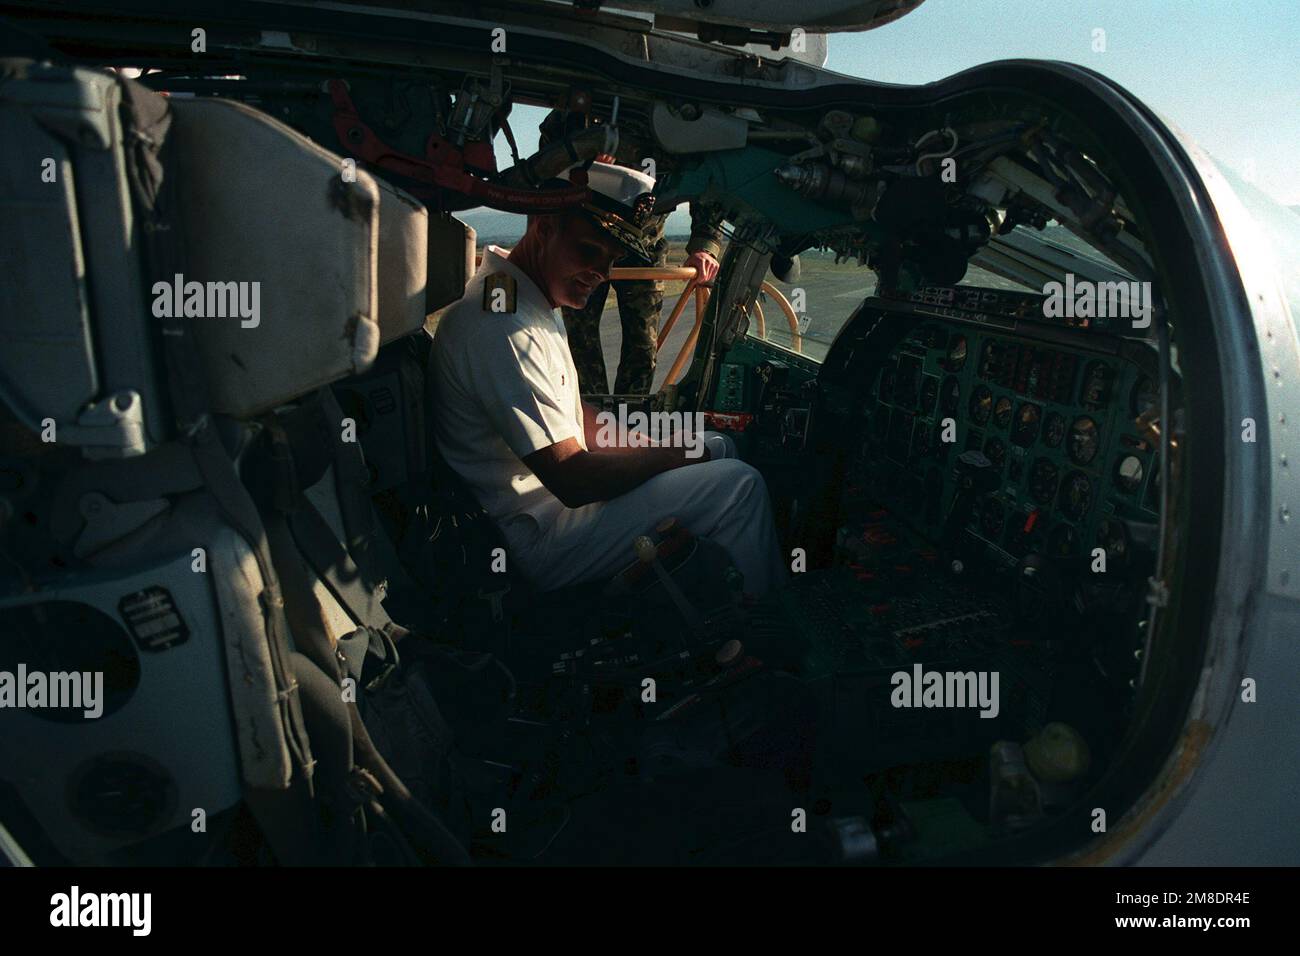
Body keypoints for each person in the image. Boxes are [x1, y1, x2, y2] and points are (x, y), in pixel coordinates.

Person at [428, 162, 784, 599]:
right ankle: (760, 630)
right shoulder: (502, 324)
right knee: (739, 485)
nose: (602, 272)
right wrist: (674, 458)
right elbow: (574, 480)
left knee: (717, 445)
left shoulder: (528, 297)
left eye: (612, 259)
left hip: (555, 506)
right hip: (540, 534)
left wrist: (673, 449)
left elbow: (578, 416)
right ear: (544, 226)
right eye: (588, 251)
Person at [539, 109, 725, 395]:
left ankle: (626, 424)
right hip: (584, 243)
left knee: (642, 347)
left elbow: (707, 175)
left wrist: (704, 246)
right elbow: (545, 169)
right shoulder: (576, 112)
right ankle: (591, 418)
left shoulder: (679, 117)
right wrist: (583, 163)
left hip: (645, 247)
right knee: (579, 343)